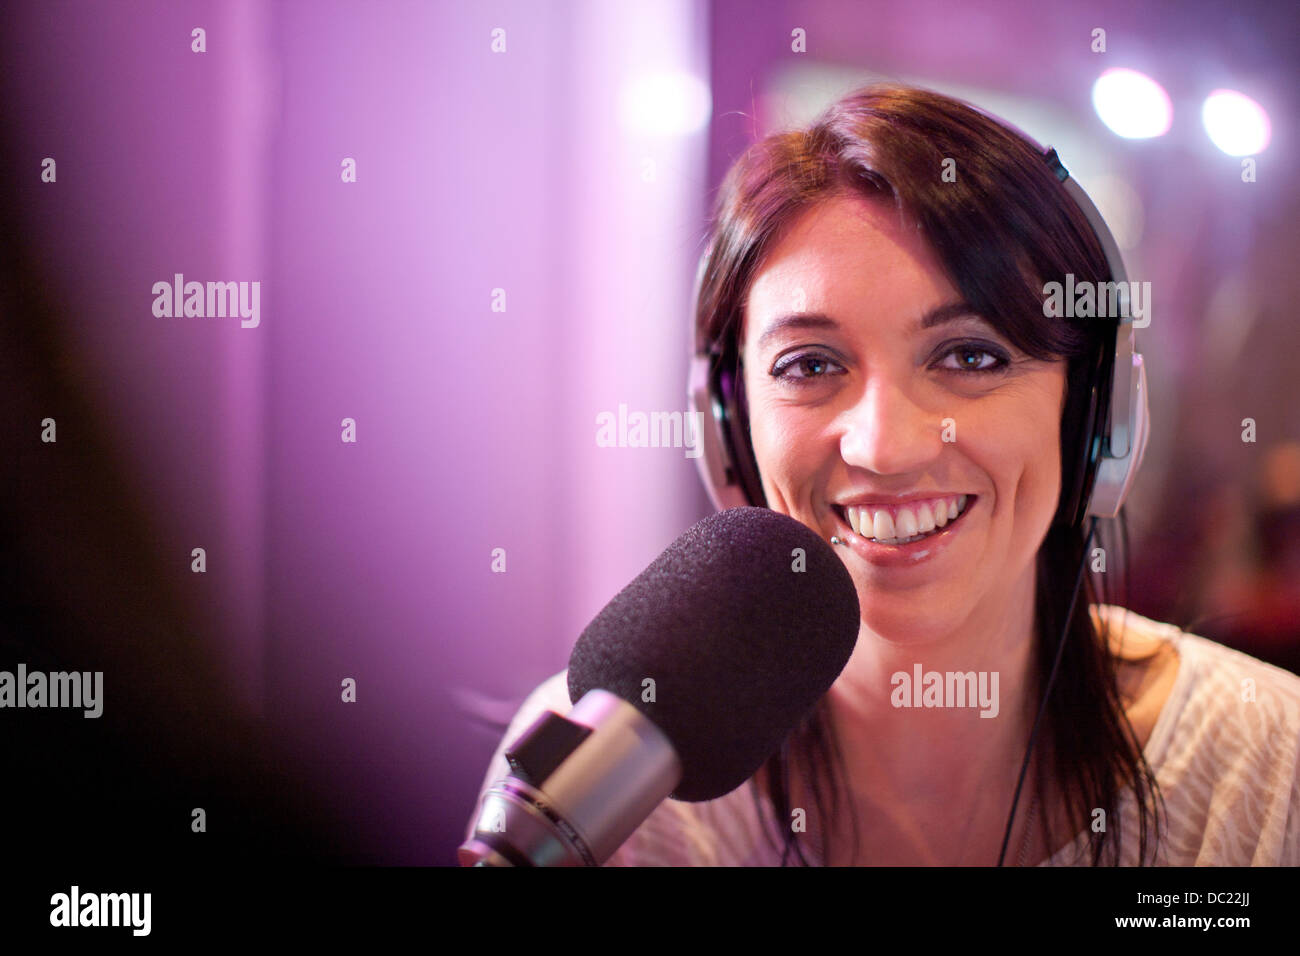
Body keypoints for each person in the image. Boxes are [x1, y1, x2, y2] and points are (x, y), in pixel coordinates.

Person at [467, 84, 1300, 865]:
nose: (885, 448)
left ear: (1096, 416)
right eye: (809, 364)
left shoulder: (1268, 767)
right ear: (726, 426)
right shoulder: (601, 789)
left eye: (970, 355)